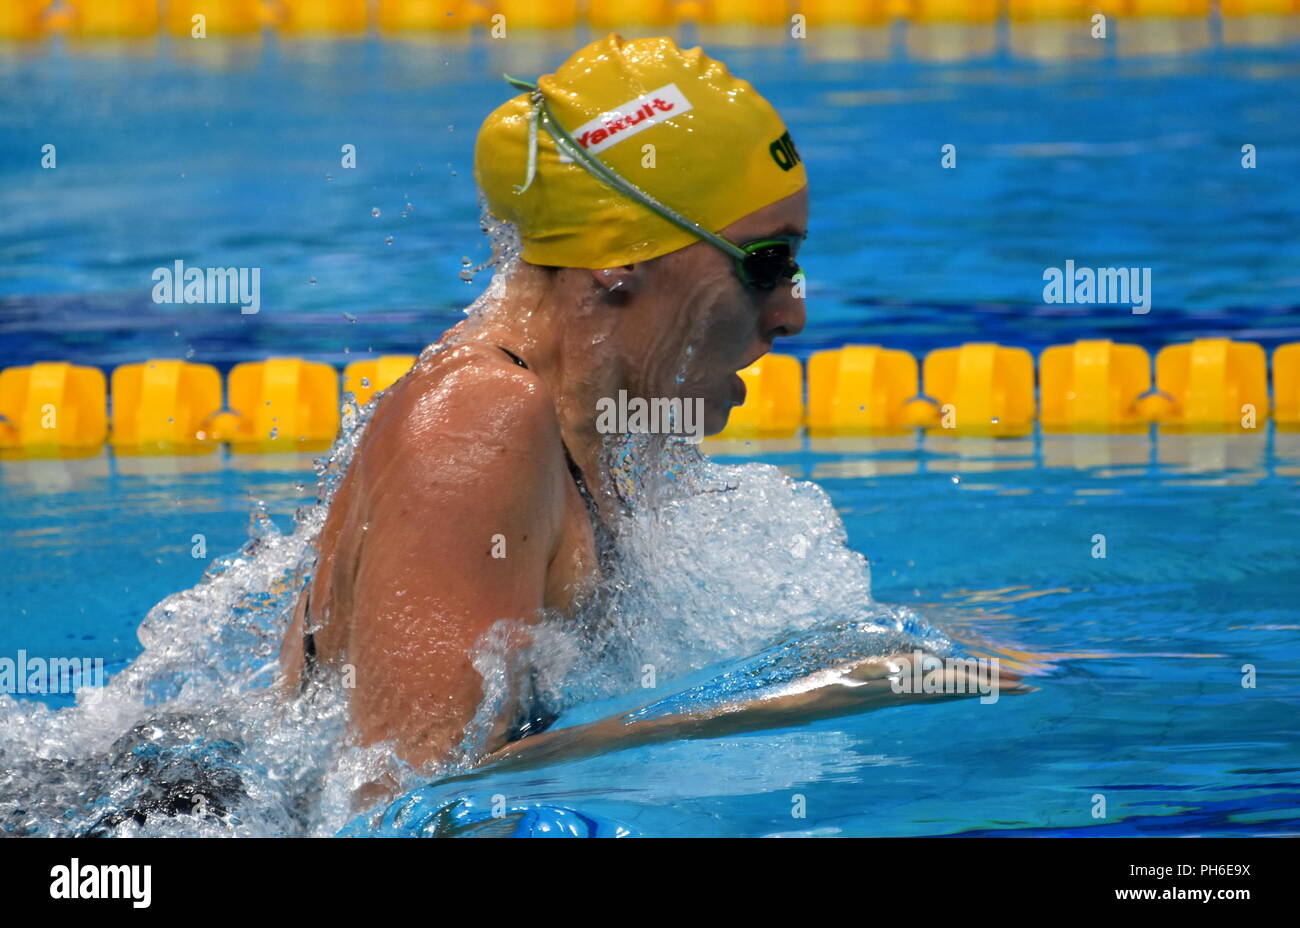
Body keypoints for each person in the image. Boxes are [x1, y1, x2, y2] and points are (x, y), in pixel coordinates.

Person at [278, 34, 1018, 781]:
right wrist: (811, 698)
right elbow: (399, 801)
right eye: (767, 263)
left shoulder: (598, 434)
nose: (792, 314)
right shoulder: (481, 420)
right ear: (621, 257)